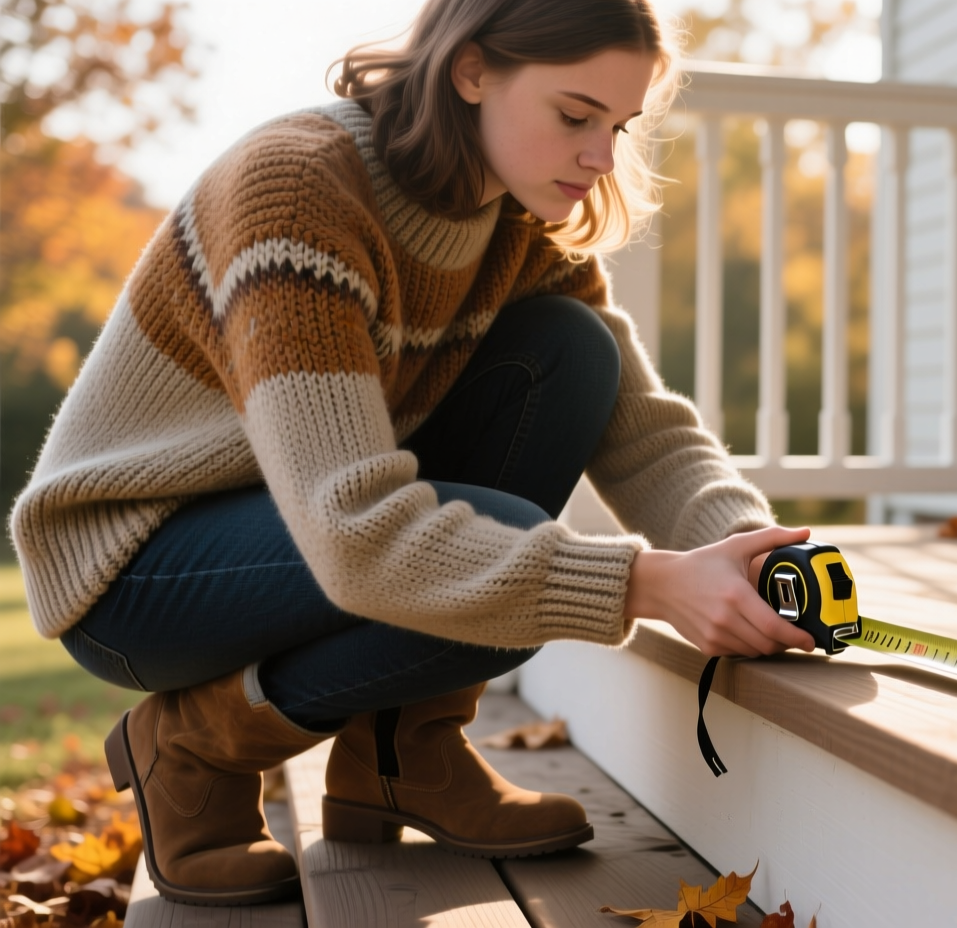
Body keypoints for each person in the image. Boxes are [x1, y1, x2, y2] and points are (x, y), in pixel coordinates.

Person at [6, 0, 815, 907]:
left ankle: (405, 750)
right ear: (471, 71)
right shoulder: (298, 192)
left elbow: (645, 431)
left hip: (301, 525)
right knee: (503, 541)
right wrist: (648, 584)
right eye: (575, 115)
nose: (602, 157)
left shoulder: (517, 221)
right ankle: (193, 744)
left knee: (570, 349)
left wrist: (758, 554)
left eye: (618, 126)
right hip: (138, 567)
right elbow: (356, 535)